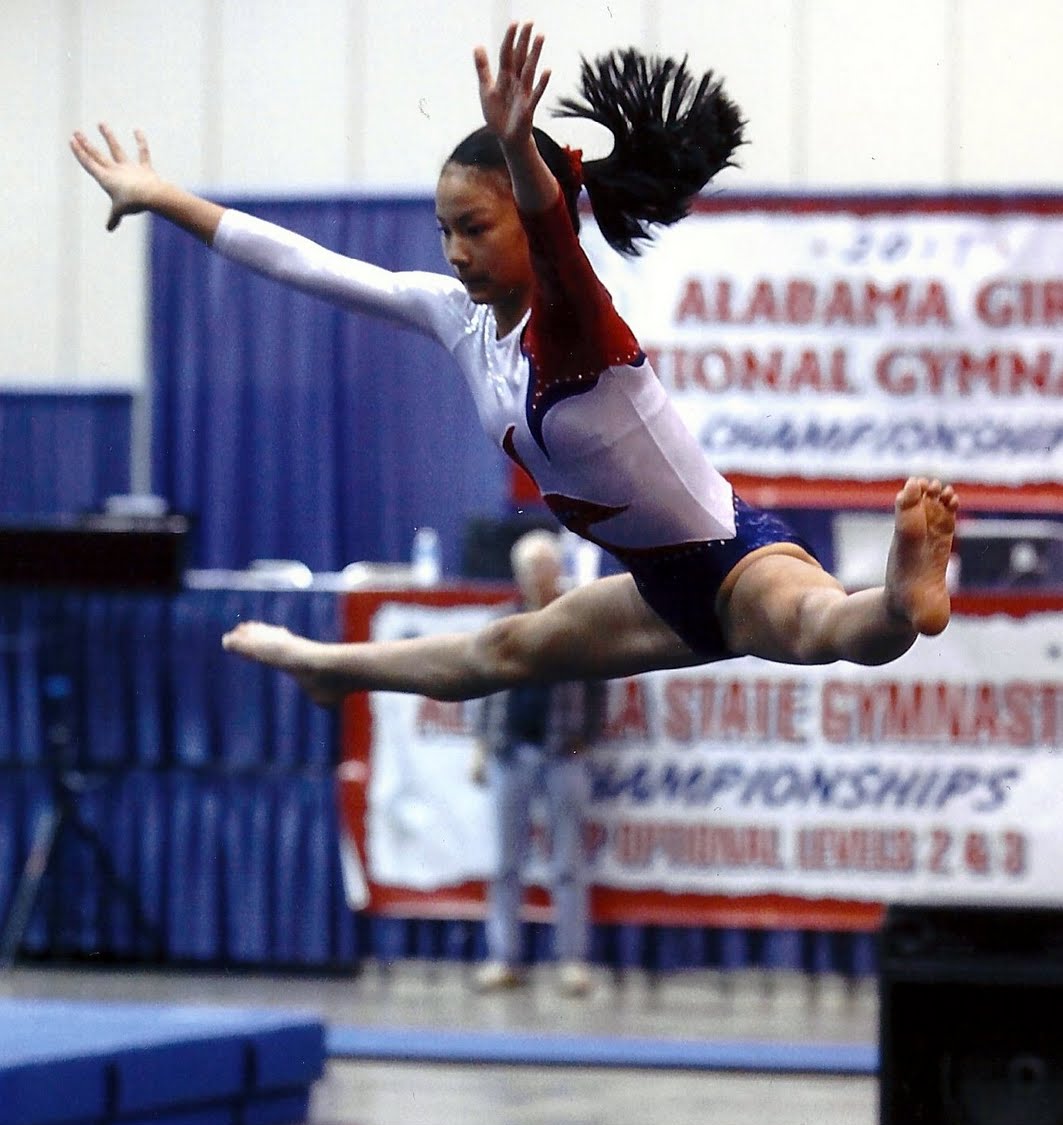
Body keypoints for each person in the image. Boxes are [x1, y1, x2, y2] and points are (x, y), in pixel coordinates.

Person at [71, 21, 958, 717]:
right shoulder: (454, 318)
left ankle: (898, 592)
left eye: (475, 228)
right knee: (501, 653)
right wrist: (162, 196)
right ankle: (331, 670)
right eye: (444, 230)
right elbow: (307, 265)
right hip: (652, 589)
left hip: (730, 560)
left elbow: (550, 232)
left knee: (817, 626)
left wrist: (520, 150)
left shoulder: (576, 326)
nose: (455, 251)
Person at [471, 531, 603, 997]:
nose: (537, 577)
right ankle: (504, 957)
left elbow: (600, 685)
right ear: (518, 574)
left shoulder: (577, 621)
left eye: (544, 568)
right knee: (506, 863)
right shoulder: (501, 623)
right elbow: (480, 687)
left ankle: (571, 960)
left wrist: (586, 737)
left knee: (567, 862)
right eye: (529, 569)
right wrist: (480, 748)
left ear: (556, 571)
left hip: (562, 753)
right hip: (510, 751)